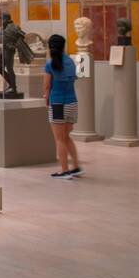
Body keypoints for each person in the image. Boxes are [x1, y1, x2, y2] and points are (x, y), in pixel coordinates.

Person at [43, 34, 81, 178]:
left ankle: (65, 170)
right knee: (66, 136)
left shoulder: (49, 64)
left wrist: (46, 99)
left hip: (58, 104)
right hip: (72, 103)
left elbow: (46, 86)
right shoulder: (70, 61)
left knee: (59, 139)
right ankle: (76, 167)